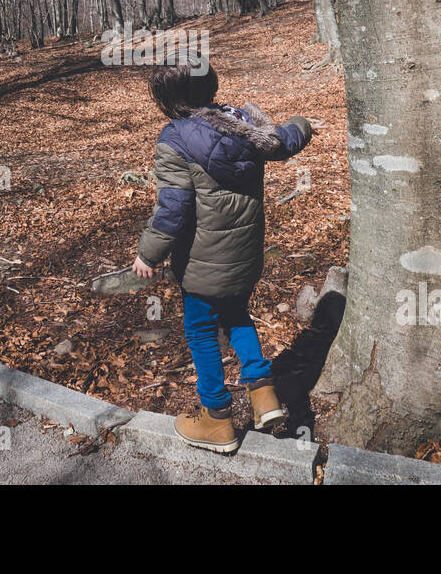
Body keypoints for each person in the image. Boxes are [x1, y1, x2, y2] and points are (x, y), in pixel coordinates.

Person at [133, 61, 313, 452]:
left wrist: (149, 253)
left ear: (167, 100)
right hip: (244, 256)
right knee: (235, 314)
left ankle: (216, 419)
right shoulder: (241, 125)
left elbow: (173, 209)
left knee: (200, 331)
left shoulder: (176, 140)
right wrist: (302, 123)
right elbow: (284, 140)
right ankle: (263, 393)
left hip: (201, 264)